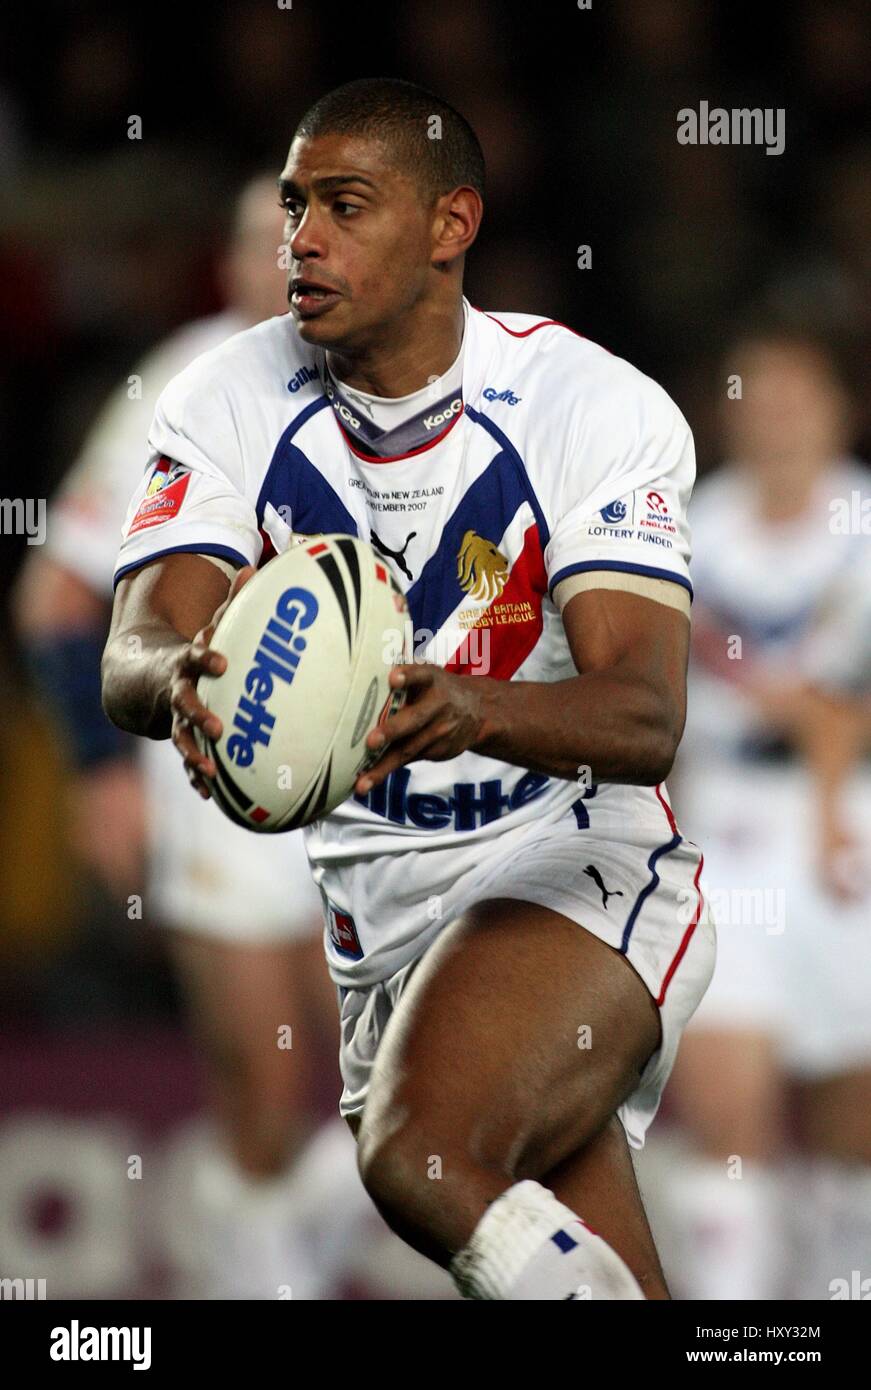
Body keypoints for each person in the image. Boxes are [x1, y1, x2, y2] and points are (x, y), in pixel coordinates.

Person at [102, 77, 716, 1301]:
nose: (301, 241)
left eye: (344, 205)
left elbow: (644, 715)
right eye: (290, 208)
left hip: (572, 865)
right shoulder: (224, 392)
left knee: (421, 1156)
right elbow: (132, 644)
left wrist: (470, 706)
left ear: (451, 226)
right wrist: (189, 681)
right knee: (569, 1257)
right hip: (376, 919)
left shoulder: (587, 406)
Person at [14, 175, 381, 1300]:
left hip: (375, 792)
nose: (283, 264)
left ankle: (270, 1253)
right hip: (215, 783)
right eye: (258, 244)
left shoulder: (413, 382)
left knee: (407, 1103)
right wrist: (97, 776)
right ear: (223, 265)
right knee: (264, 1108)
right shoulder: (180, 391)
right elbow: (58, 599)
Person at [663, 326, 871, 1300]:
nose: (778, 412)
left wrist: (831, 794)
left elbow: (845, 705)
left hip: (852, 831)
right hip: (728, 827)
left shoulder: (864, 524)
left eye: (801, 392)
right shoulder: (688, 525)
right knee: (725, 1114)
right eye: (760, 392)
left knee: (849, 1132)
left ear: (840, 408)